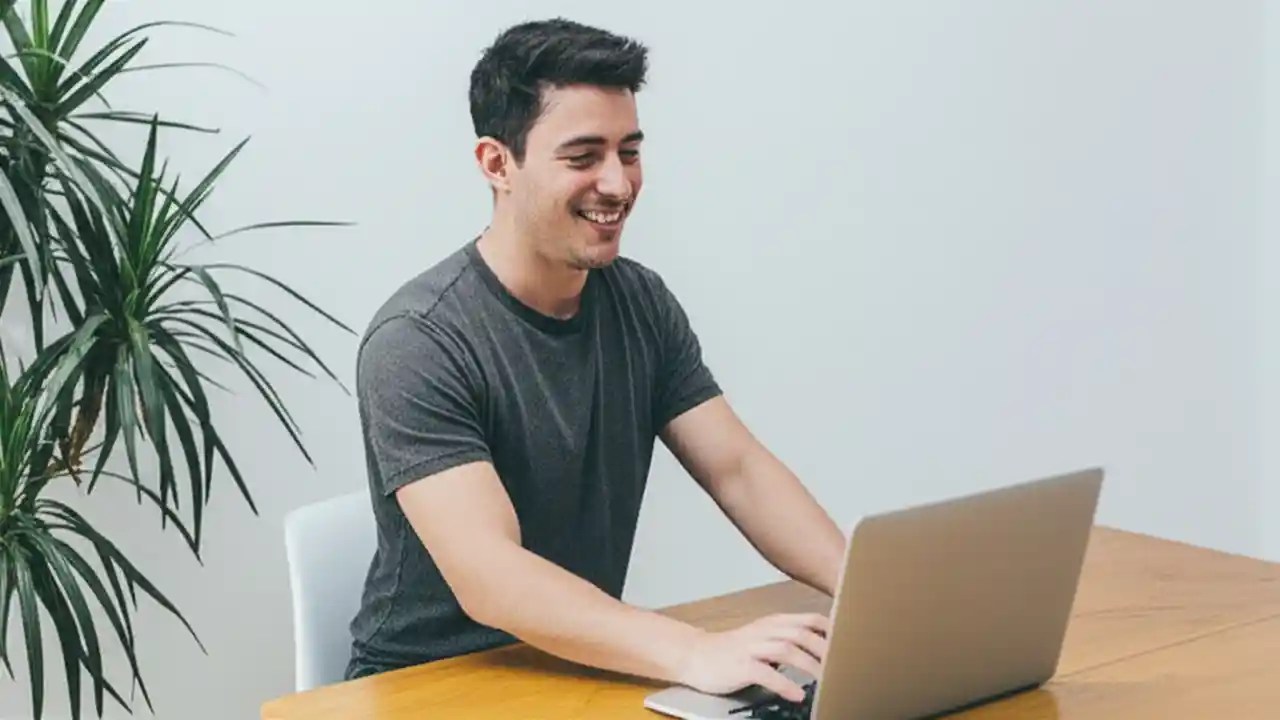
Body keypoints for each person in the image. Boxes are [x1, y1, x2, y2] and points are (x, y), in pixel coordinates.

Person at [345, 17, 847, 704]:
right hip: (426, 690)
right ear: (497, 163)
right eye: (583, 157)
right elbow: (492, 576)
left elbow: (740, 470)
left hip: (576, 669)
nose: (617, 184)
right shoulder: (418, 341)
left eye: (629, 152)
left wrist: (870, 594)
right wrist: (694, 651)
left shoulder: (640, 302)